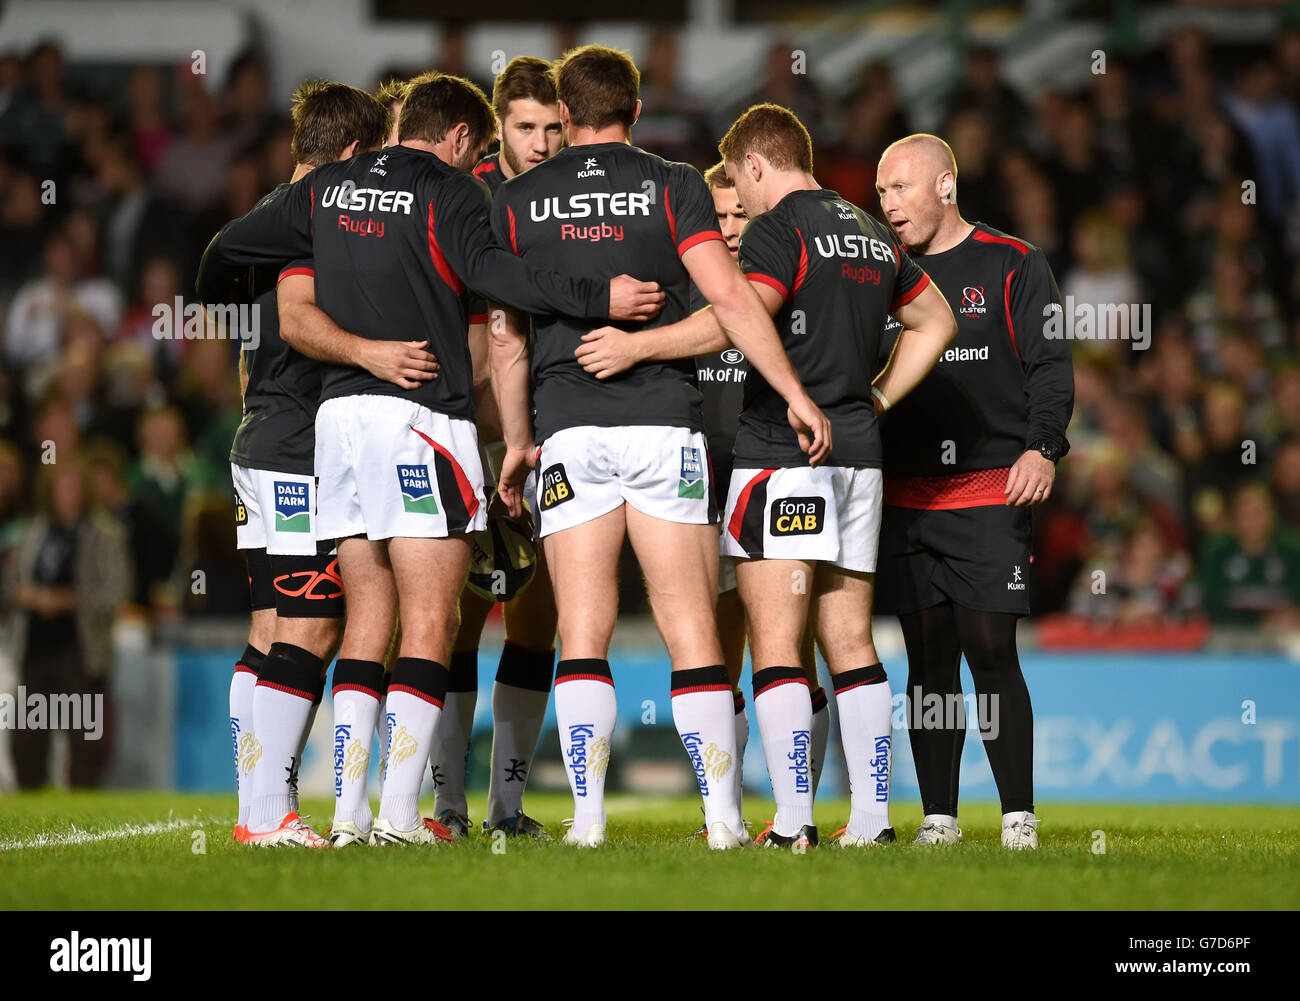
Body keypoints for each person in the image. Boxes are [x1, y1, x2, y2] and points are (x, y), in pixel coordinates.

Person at [201, 72, 664, 847]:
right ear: (456, 138)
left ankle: (344, 815)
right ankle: (394, 816)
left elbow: (223, 254)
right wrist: (599, 297)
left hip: (336, 425)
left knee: (364, 617)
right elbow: (495, 277)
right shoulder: (453, 193)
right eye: (478, 145)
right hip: (421, 418)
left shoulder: (330, 189)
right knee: (429, 618)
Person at [576, 104, 956, 849]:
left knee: (777, 644)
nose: (739, 209)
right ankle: (874, 819)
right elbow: (937, 322)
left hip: (783, 452)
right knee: (850, 638)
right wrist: (875, 396)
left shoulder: (781, 228)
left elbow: (734, 319)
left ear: (755, 164)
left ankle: (792, 822)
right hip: (857, 454)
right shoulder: (869, 229)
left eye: (739, 189)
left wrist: (639, 348)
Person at [490, 49, 831, 850]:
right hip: (664, 429)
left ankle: (587, 818)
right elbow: (731, 298)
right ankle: (721, 820)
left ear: (565, 117)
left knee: (581, 627)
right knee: (691, 626)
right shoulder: (674, 185)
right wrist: (792, 389)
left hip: (569, 429)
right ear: (637, 112)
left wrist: (518, 439)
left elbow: (507, 339)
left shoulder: (515, 198)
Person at [200, 80, 390, 847]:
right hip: (292, 450)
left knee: (271, 624)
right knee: (310, 628)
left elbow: (221, 279)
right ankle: (272, 810)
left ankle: (254, 810)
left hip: (261, 440)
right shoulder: (318, 223)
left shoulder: (274, 220)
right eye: (371, 157)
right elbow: (219, 270)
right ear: (350, 154)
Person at [873, 133, 1075, 850]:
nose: (889, 204)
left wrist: (1043, 445)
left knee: (989, 646)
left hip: (990, 482)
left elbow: (1050, 364)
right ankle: (939, 817)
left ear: (946, 186)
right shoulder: (879, 271)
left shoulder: (1014, 262)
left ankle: (1018, 814)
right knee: (926, 657)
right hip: (903, 491)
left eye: (902, 187)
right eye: (882, 192)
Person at [433, 56, 566, 840]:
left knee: (537, 617)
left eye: (554, 126)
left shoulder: (576, 196)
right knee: (454, 614)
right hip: (472, 432)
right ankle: (447, 802)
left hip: (552, 435)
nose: (543, 141)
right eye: (526, 126)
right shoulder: (470, 196)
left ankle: (506, 806)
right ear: (497, 126)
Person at [3, 455, 130, 789]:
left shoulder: (105, 533)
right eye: (62, 485)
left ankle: (85, 811)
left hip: (81, 649)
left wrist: (68, 600)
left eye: (74, 485)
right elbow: (9, 584)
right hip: (36, 647)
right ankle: (31, 807)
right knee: (27, 741)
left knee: (85, 742)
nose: (68, 493)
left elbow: (116, 591)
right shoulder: (32, 532)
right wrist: (25, 595)